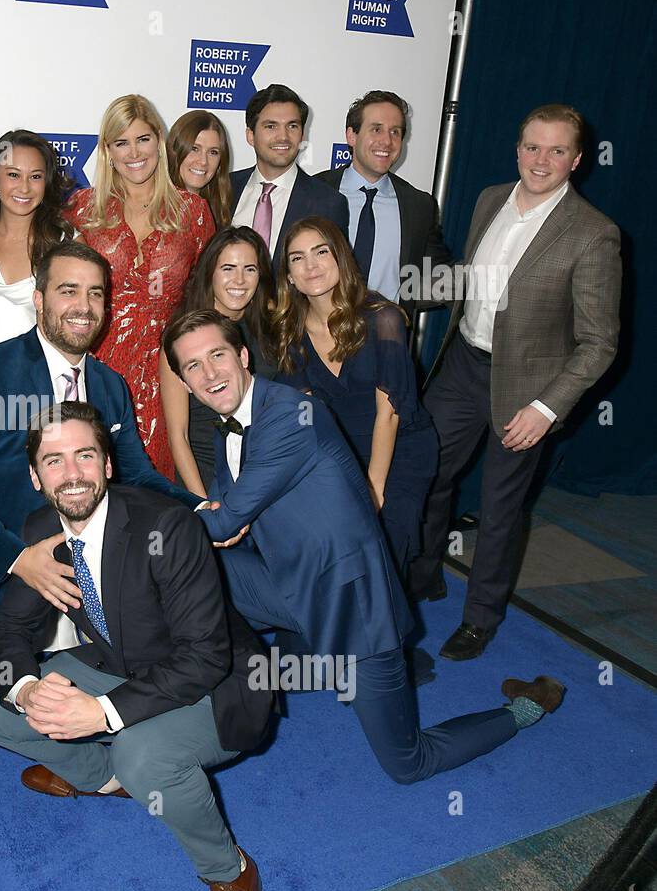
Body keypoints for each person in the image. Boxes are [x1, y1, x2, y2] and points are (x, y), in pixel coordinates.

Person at [163, 308, 568, 785]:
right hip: (292, 586)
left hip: (350, 605)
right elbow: (220, 515)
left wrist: (163, 527)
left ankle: (525, 707)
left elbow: (226, 518)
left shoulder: (291, 413)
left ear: (244, 356)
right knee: (178, 577)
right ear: (185, 384)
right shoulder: (229, 424)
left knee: (407, 763)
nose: (210, 373)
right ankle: (179, 707)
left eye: (217, 355)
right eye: (194, 366)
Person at [0, 402, 273, 891]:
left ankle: (227, 868)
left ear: (107, 465)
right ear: (34, 476)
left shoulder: (167, 527)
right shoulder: (39, 529)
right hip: (121, 665)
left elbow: (205, 657)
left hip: (219, 686)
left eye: (85, 456)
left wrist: (103, 714)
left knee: (141, 754)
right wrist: (25, 690)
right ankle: (101, 778)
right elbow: (10, 629)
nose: (72, 475)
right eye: (54, 460)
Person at [0, 241, 203, 720]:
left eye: (96, 294)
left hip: (82, 590)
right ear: (39, 298)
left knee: (104, 705)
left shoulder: (111, 385)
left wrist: (196, 509)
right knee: (6, 715)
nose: (84, 306)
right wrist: (15, 559)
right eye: (68, 290)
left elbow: (133, 474)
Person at [410, 105, 622, 661]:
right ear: (518, 148)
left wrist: (546, 409)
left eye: (556, 151)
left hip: (527, 388)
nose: (541, 160)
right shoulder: (489, 198)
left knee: (501, 509)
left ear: (576, 160)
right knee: (426, 470)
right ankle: (426, 572)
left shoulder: (593, 234)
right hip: (462, 365)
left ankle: (480, 618)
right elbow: (470, 279)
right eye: (532, 146)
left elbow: (599, 342)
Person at [272, 216, 438, 572]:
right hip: (343, 451)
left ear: (341, 259)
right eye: (297, 258)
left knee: (384, 557)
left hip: (398, 451)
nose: (311, 265)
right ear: (288, 275)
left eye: (321, 252)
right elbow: (308, 420)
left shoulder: (382, 319)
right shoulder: (290, 333)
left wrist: (374, 490)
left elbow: (389, 414)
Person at [65, 94, 215, 478]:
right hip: (97, 371)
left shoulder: (192, 212)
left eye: (143, 139)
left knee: (159, 492)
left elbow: (205, 303)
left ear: (159, 141)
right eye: (121, 142)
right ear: (107, 151)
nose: (134, 152)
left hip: (170, 375)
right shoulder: (82, 209)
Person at [314, 90, 452, 332]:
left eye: (395, 132)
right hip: (316, 336)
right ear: (351, 135)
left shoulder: (418, 206)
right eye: (376, 129)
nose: (387, 141)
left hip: (384, 343)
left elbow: (438, 274)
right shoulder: (314, 192)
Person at [160, 225, 277, 496]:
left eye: (250, 269)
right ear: (210, 272)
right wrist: (202, 504)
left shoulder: (270, 329)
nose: (239, 280)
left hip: (263, 477)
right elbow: (179, 437)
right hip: (206, 475)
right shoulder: (181, 335)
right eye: (228, 268)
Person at [0, 129, 75, 349]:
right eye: (13, 175)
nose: (24, 188)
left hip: (43, 381)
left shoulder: (66, 245)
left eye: (35, 176)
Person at [229, 84, 349, 258]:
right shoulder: (224, 188)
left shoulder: (328, 204)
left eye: (292, 126)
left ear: (302, 135)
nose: (283, 136)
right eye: (271, 126)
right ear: (250, 135)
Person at [167, 110, 232, 228]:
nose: (203, 161)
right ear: (175, 151)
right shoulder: (150, 209)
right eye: (194, 149)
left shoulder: (222, 212)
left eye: (213, 152)